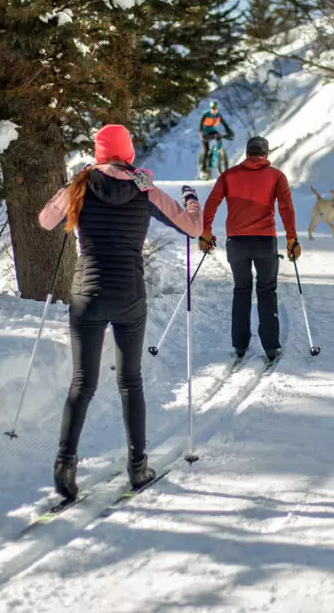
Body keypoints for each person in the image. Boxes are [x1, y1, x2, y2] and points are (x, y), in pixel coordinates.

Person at [39, 124, 203, 500]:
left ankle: (65, 465)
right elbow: (193, 227)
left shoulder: (80, 186)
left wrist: (68, 188)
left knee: (83, 383)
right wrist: (191, 199)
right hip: (129, 295)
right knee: (130, 382)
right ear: (128, 153)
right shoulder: (145, 189)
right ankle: (137, 467)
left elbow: (46, 221)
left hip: (87, 294)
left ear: (98, 154)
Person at [199, 136, 301, 361]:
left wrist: (206, 231)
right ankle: (271, 347)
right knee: (266, 290)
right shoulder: (276, 176)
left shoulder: (229, 175)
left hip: (237, 243)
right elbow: (286, 208)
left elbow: (212, 202)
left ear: (247, 154)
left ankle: (240, 345)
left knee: (241, 290)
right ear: (266, 154)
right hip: (265, 242)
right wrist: (292, 239)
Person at [198, 99, 234, 177]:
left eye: (215, 108)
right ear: (210, 108)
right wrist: (201, 134)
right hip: (204, 133)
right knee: (206, 150)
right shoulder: (206, 114)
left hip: (212, 131)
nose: (214, 110)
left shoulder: (218, 115)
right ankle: (203, 169)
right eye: (212, 108)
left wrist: (229, 132)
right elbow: (200, 127)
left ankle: (219, 152)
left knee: (219, 137)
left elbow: (225, 124)